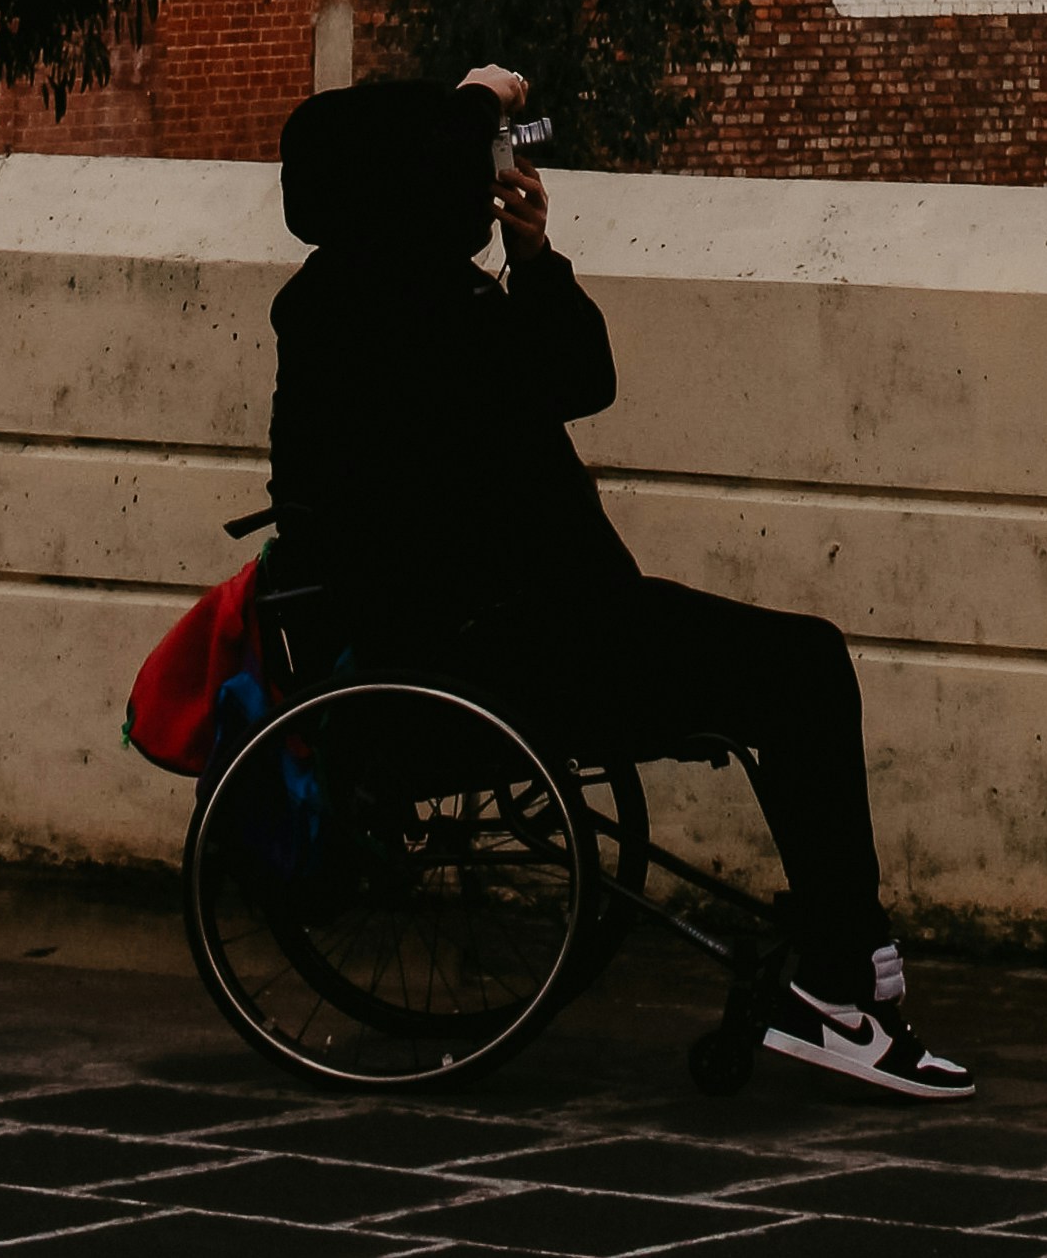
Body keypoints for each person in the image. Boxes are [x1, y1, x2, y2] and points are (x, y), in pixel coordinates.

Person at [267, 62, 972, 1103]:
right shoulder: (402, 309)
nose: (484, 179)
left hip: (519, 626)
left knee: (785, 668)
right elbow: (575, 377)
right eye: (468, 168)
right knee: (801, 669)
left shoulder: (358, 296)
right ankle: (838, 971)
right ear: (410, 189)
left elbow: (559, 379)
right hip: (515, 646)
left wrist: (523, 242)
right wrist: (520, 224)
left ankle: (848, 950)